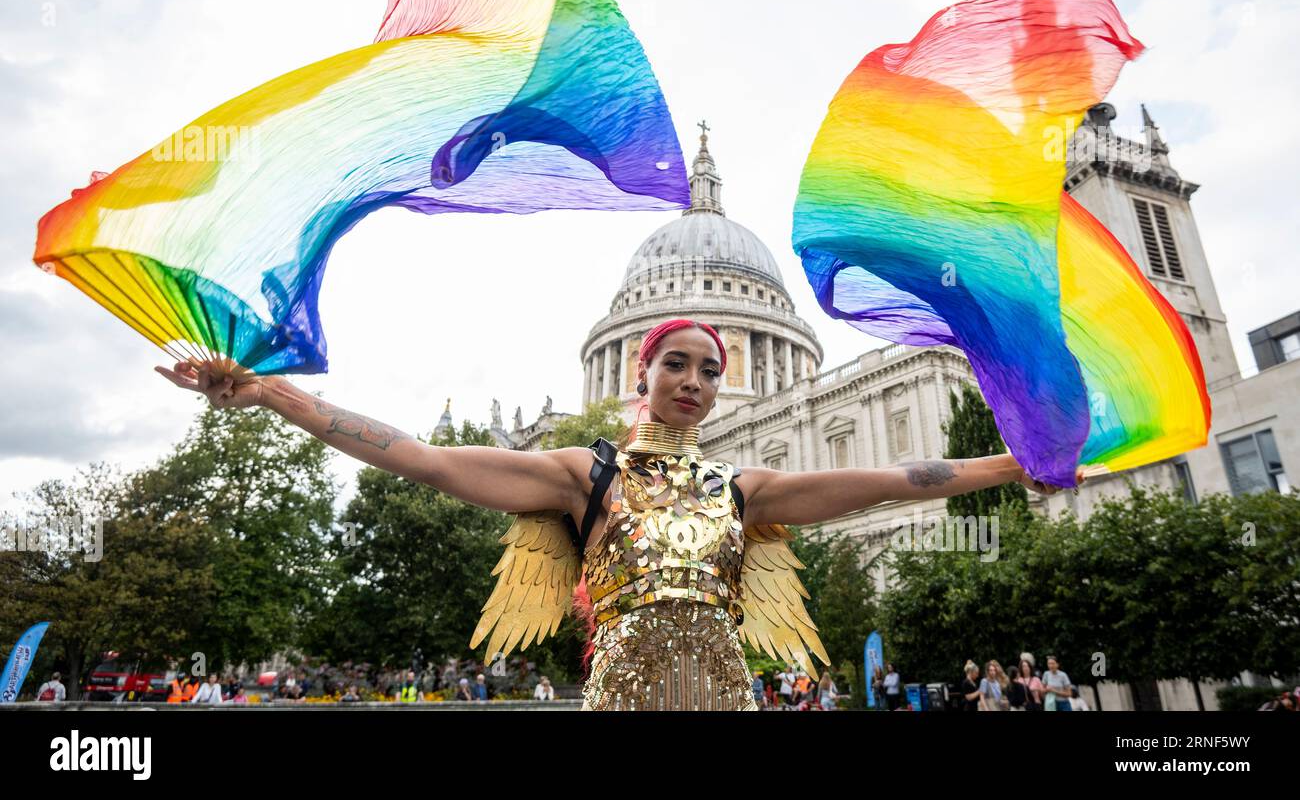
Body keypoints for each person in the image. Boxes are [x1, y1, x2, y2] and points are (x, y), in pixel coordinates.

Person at [158, 319, 1082, 711]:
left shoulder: (743, 491)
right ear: (637, 373)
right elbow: (425, 460)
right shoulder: (577, 474)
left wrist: (1019, 462)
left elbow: (895, 479)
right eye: (676, 363)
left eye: (711, 369)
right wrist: (272, 396)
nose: (694, 382)